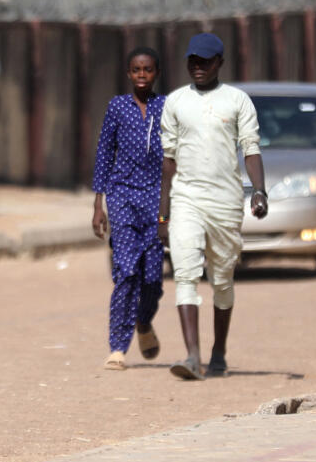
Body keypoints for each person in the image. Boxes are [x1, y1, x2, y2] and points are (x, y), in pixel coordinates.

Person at [157, 32, 267, 380]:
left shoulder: (237, 101)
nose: (197, 67)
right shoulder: (175, 102)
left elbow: (250, 149)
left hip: (225, 201)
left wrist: (260, 192)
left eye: (204, 61)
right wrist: (164, 212)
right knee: (186, 273)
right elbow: (168, 161)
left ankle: (218, 351)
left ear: (219, 62)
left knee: (221, 279)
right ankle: (192, 356)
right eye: (192, 60)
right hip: (186, 198)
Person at [91, 47, 166, 371]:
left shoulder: (167, 107)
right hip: (122, 197)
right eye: (136, 70)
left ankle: (144, 323)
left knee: (152, 279)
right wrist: (99, 203)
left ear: (156, 73)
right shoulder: (117, 107)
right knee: (125, 271)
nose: (141, 75)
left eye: (147, 70)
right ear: (128, 73)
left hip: (157, 198)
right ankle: (117, 347)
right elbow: (105, 152)